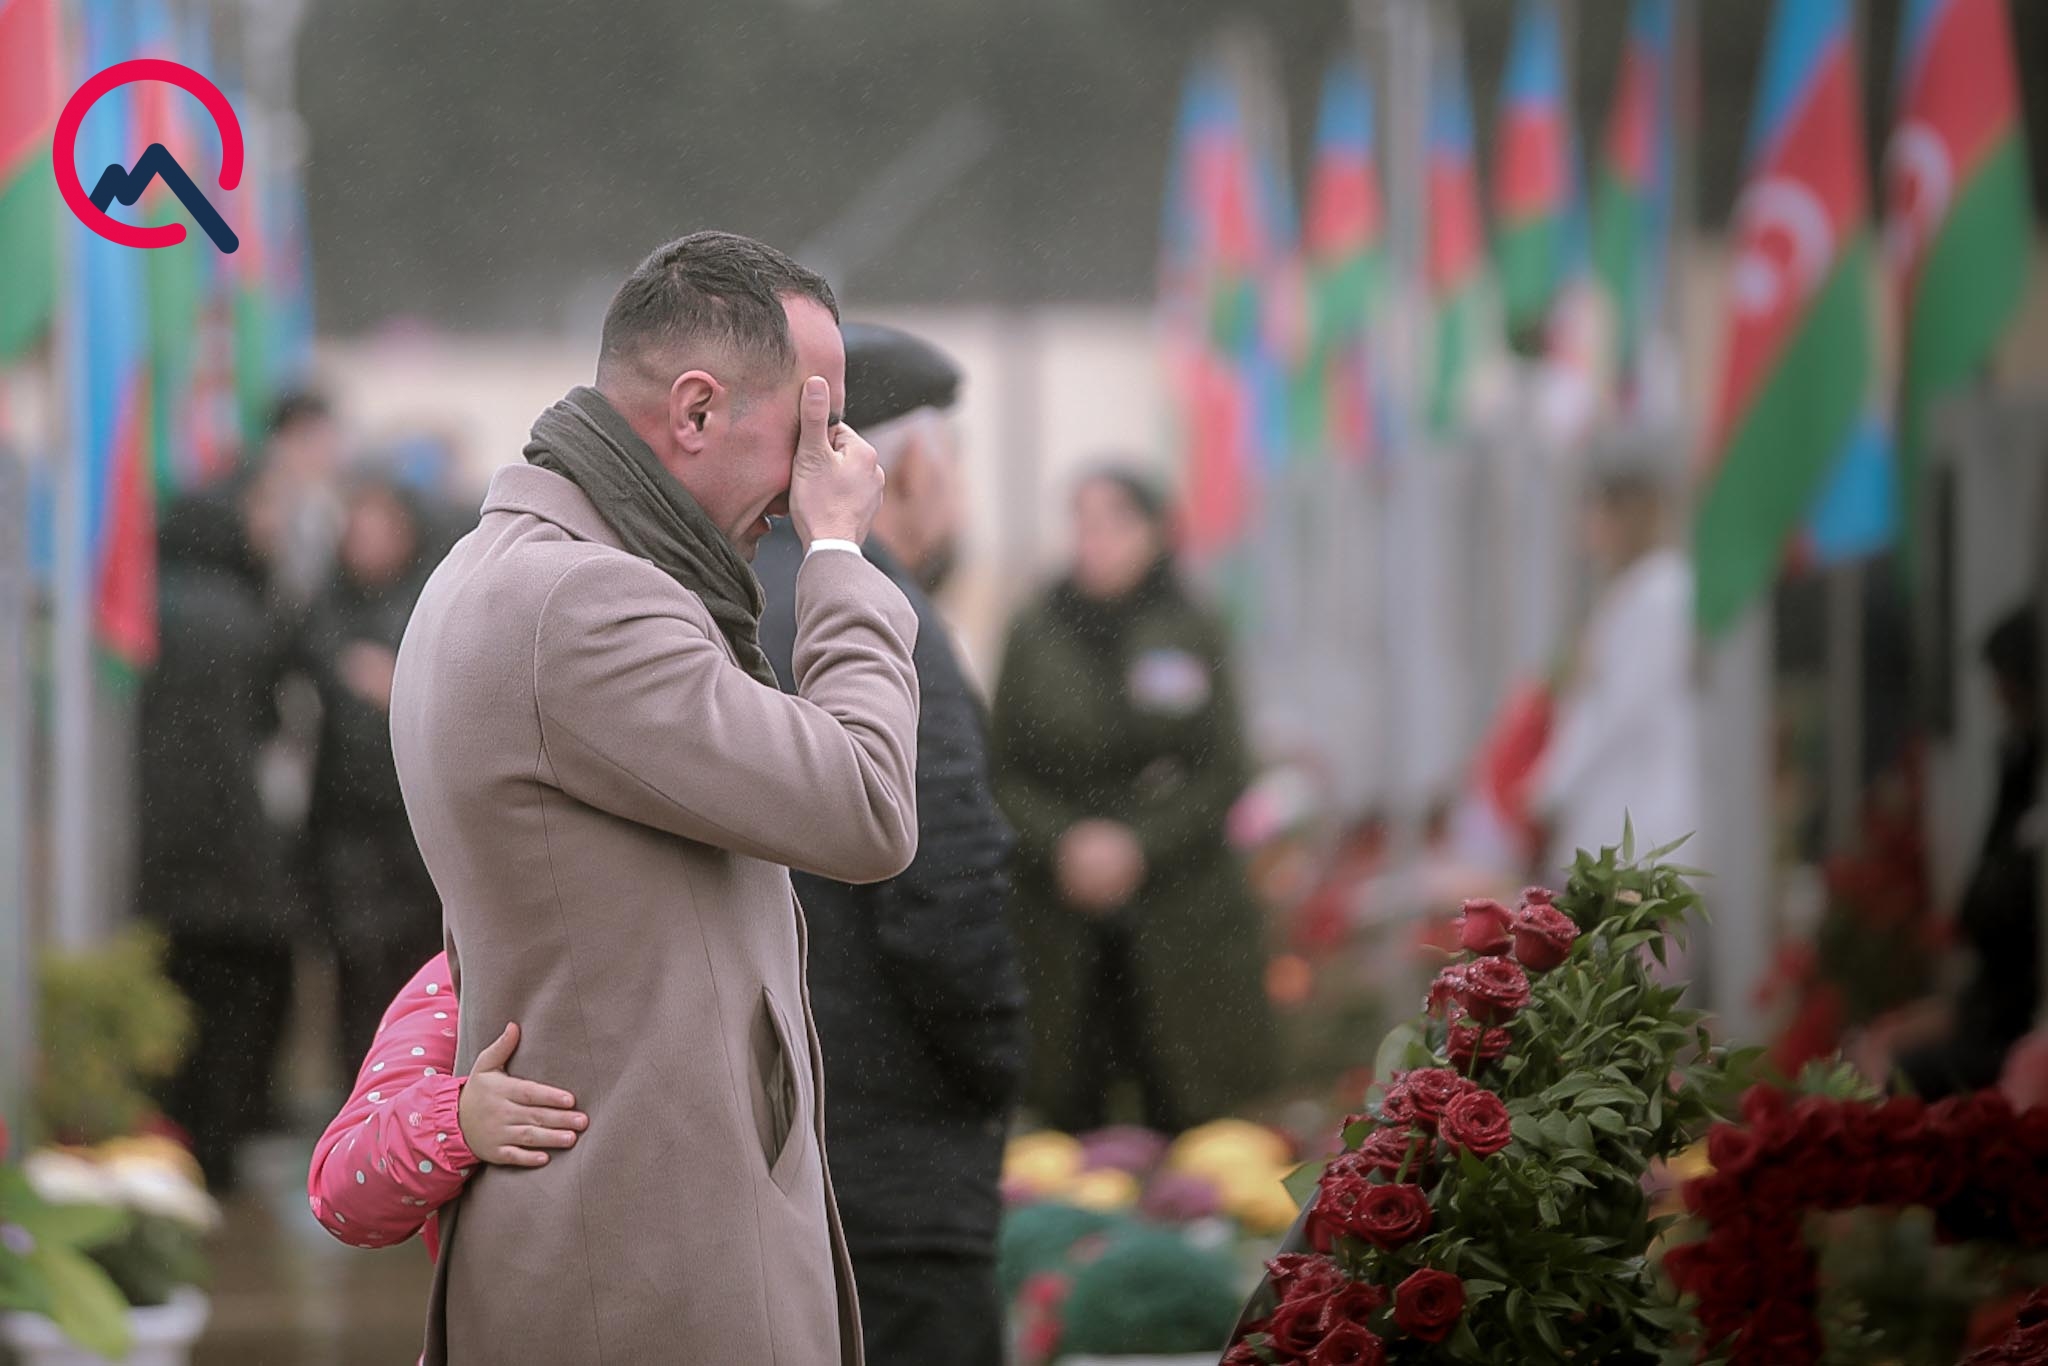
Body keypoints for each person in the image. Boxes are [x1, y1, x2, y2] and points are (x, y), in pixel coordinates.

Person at [387, 231, 918, 1366]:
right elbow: (867, 806)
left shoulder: (509, 570)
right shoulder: (581, 603)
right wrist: (838, 559)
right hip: (643, 1274)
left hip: (623, 1246)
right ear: (693, 411)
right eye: (813, 426)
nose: (828, 464)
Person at [755, 323, 1025, 1366]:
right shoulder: (884, 616)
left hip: (770, 1124)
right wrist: (993, 1060)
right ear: (909, 465)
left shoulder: (723, 597)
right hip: (892, 1146)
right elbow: (945, 881)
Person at [991, 466, 1274, 1135]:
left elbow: (1225, 768)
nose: (1096, 540)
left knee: (1194, 1114)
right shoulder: (1035, 630)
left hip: (1181, 915)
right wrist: (1066, 843)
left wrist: (1136, 846)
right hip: (1060, 920)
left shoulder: (1191, 627)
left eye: (1116, 522)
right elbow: (1000, 770)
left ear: (1155, 533)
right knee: (1065, 1119)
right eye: (1083, 522)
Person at [140, 480, 293, 1192]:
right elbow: (270, 729)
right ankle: (218, 1152)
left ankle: (168, 1141)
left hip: (152, 851)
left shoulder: (137, 614)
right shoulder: (247, 616)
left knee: (170, 1003)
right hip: (237, 853)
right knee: (234, 1010)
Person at [1862, 608, 2041, 1099]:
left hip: (2013, 1022)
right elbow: (1978, 907)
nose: (2001, 705)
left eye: (2012, 695)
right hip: (1990, 1009)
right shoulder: (2020, 768)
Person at [304, 473, 441, 1080]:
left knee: (417, 974)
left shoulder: (434, 602)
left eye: (382, 528)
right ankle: (356, 1098)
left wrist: (401, 690)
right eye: (358, 528)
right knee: (355, 968)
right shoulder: (323, 608)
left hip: (418, 826)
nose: (368, 542)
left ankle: (415, 1093)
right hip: (345, 825)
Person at [1530, 461, 1701, 877]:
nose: (1582, 526)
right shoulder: (1633, 592)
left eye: (1593, 511)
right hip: (1621, 798)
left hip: (1642, 807)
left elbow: (1619, 708)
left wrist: (1552, 784)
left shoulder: (1659, 593)